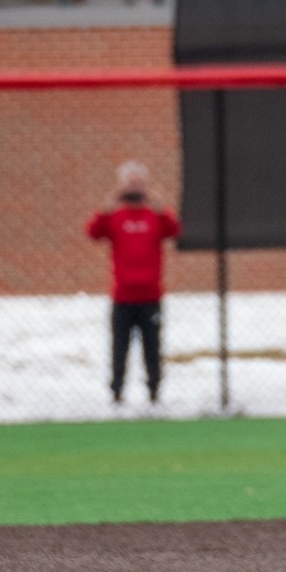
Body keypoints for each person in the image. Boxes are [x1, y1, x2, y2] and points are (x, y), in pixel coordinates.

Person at [85, 160, 180, 405]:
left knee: (152, 348)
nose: (134, 187)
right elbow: (93, 232)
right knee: (120, 348)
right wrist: (110, 203)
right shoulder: (116, 217)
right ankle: (117, 392)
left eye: (138, 182)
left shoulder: (153, 217)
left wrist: (158, 203)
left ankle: (154, 392)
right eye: (130, 182)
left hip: (151, 297)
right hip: (122, 297)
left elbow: (174, 230)